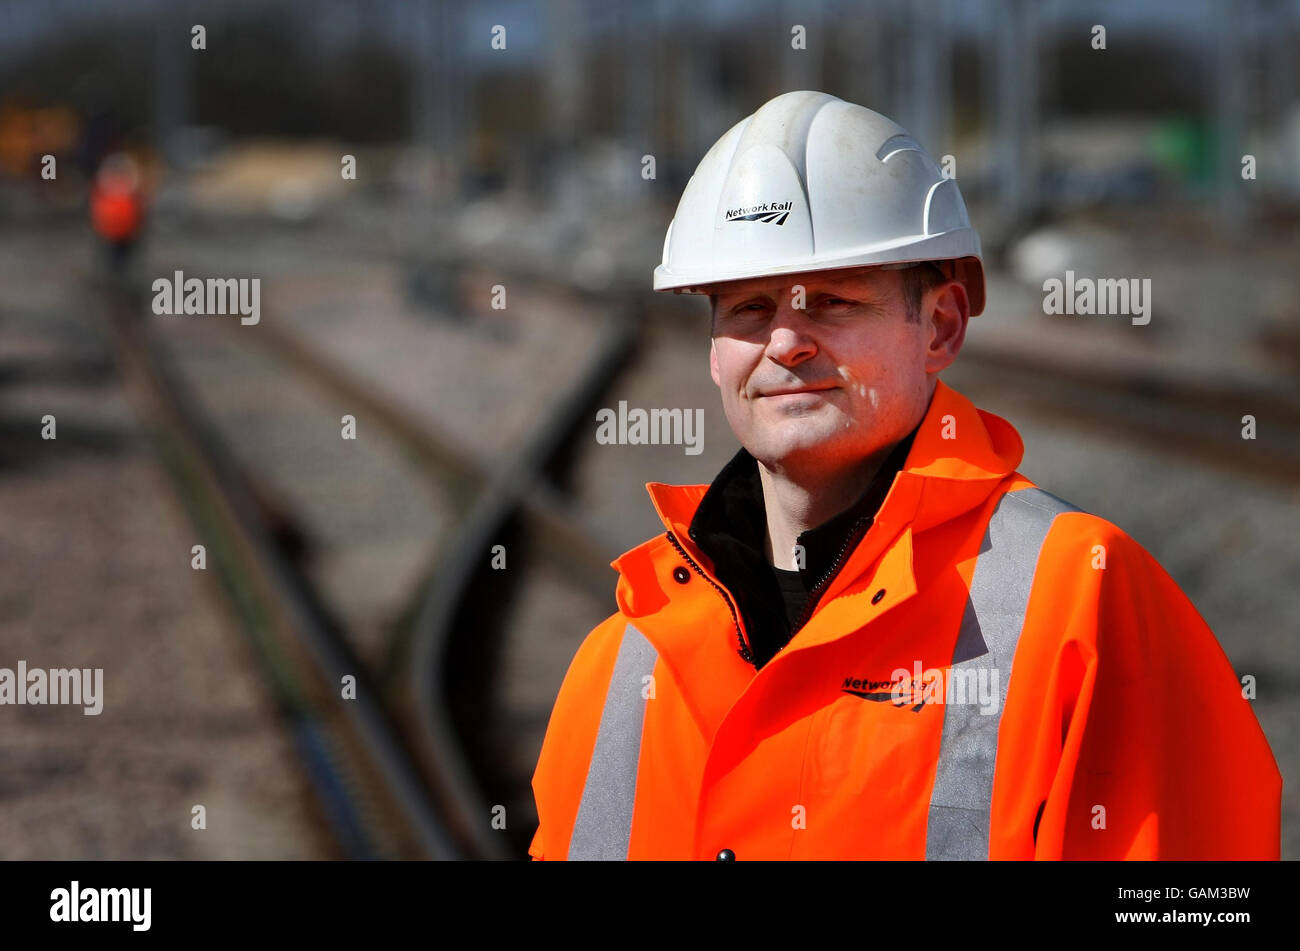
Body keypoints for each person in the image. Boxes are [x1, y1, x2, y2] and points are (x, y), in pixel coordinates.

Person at [528, 91, 1280, 860]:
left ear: (942, 326)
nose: (786, 341)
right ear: (717, 352)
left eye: (833, 300)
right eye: (751, 308)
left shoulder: (1079, 598)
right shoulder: (622, 665)